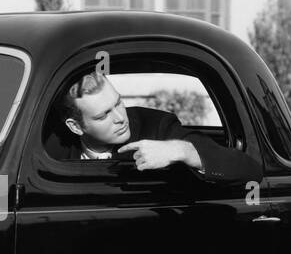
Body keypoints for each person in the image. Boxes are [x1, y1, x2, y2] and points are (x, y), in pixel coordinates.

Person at [55, 69, 261, 182]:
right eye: (103, 115)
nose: (120, 117)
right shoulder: (51, 145)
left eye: (118, 102)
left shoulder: (156, 126)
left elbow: (250, 170)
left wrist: (181, 150)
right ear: (75, 127)